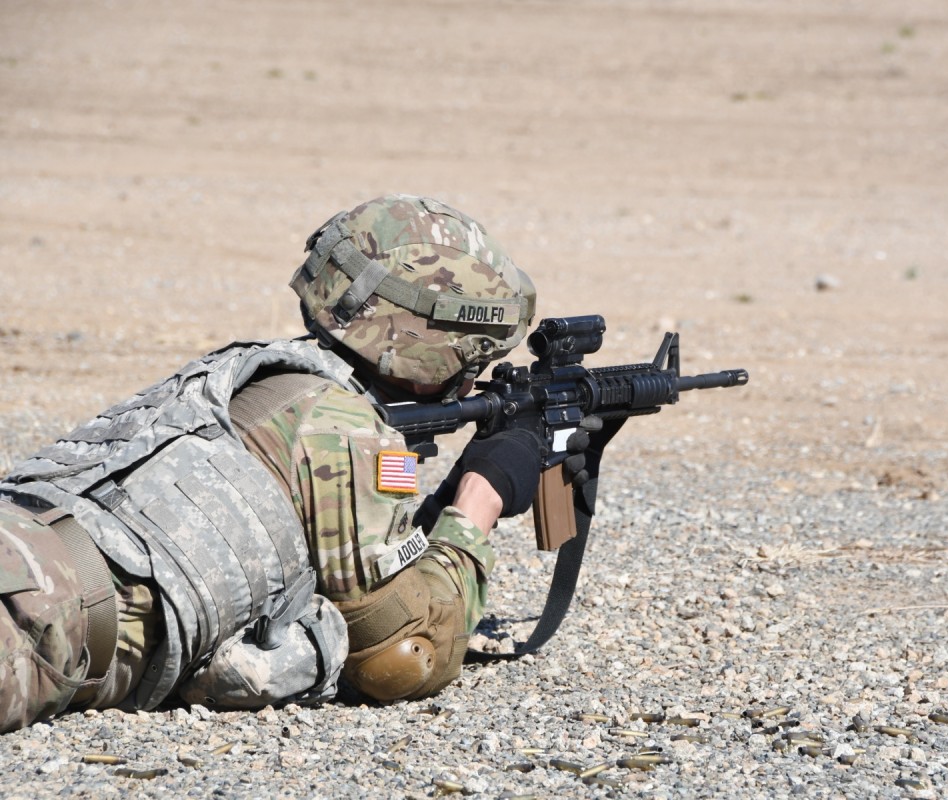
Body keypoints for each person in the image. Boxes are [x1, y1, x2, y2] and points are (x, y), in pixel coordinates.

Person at [0, 194, 551, 733]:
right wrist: (481, 495)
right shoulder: (341, 427)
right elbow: (402, 659)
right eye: (478, 355)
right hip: (34, 628)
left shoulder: (246, 374)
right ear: (436, 341)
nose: (477, 377)